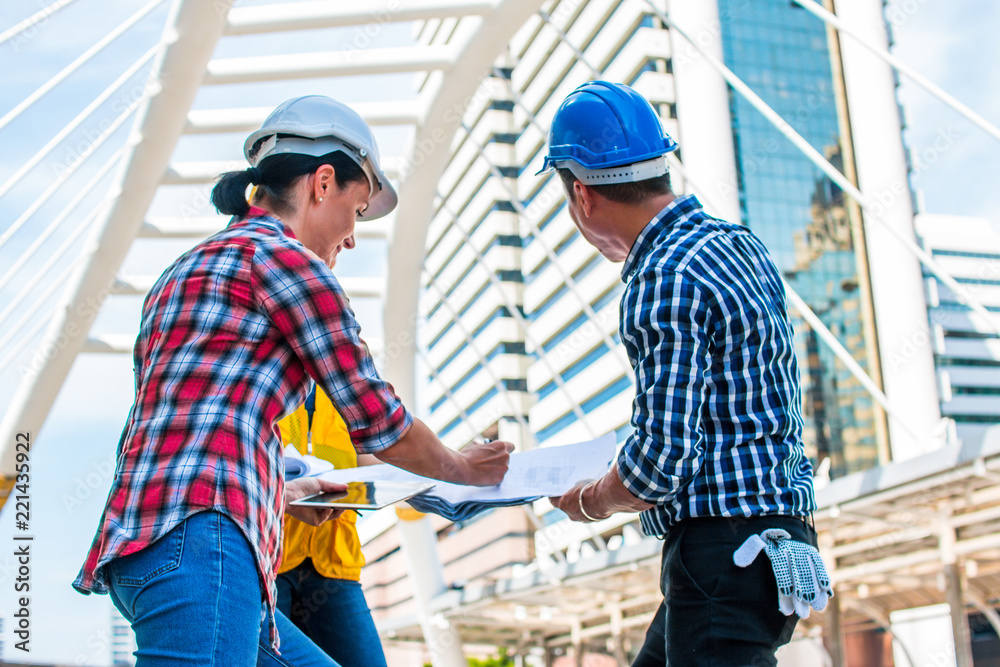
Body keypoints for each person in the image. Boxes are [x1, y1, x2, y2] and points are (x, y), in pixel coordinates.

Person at [73, 94, 514, 666]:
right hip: (206, 544)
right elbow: (377, 420)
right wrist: (463, 468)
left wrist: (285, 490)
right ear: (323, 183)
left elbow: (196, 427)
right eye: (357, 210)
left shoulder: (183, 269)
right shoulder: (290, 263)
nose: (352, 238)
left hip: (153, 541)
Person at [545, 82, 831, 666]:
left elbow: (661, 460)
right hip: (779, 541)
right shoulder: (739, 245)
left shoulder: (662, 275)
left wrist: (591, 501)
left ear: (582, 195)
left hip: (723, 552)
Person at [276, 385, 387, 667]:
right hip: (271, 557)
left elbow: (375, 466)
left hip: (335, 558)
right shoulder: (271, 378)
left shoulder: (351, 390)